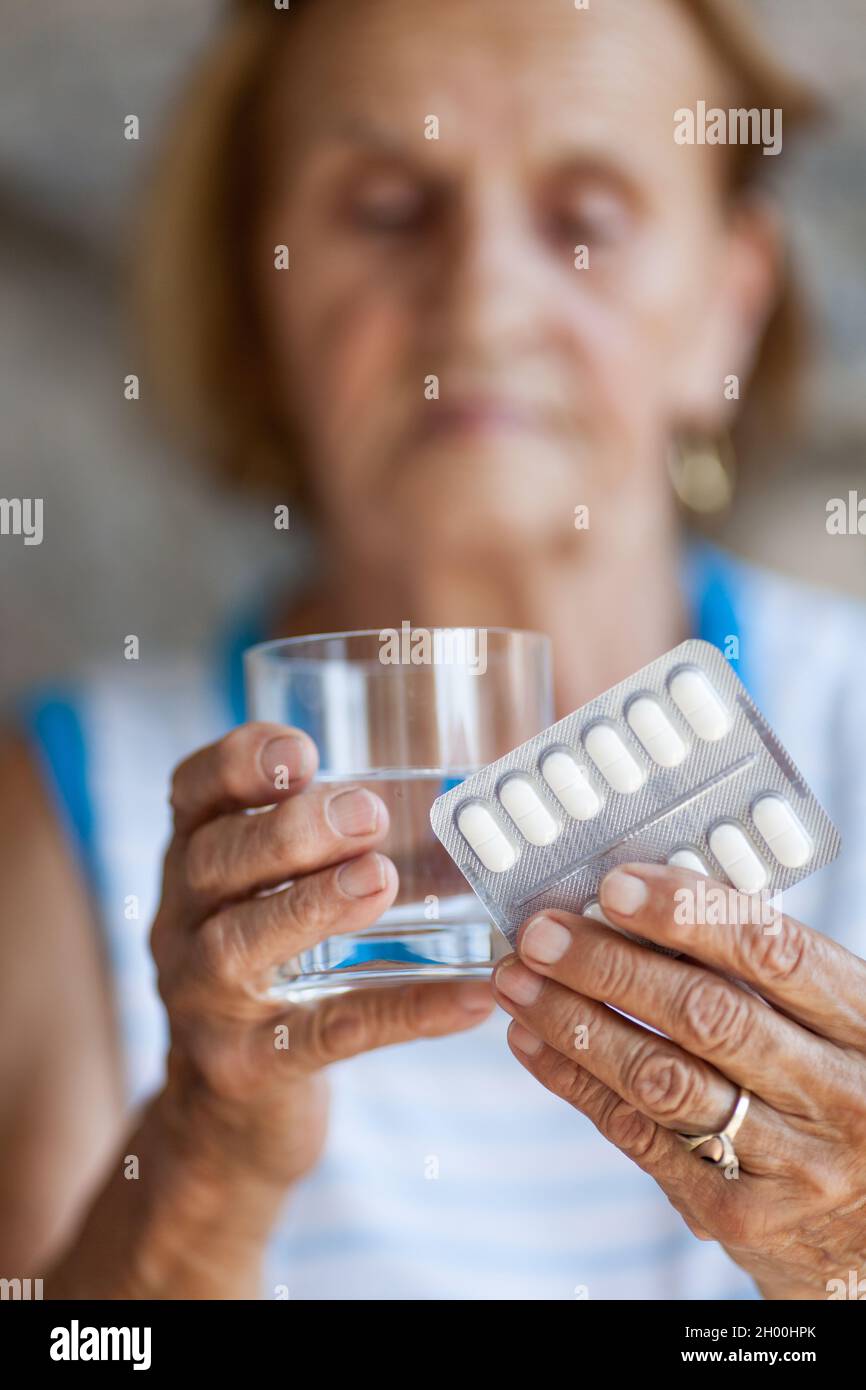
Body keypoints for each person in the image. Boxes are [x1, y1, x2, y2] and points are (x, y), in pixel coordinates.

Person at [2, 0, 865, 1300]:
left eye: (582, 220)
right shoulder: (64, 825)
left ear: (726, 309)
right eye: (388, 208)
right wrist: (204, 1167)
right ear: (260, 288)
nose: (479, 299)